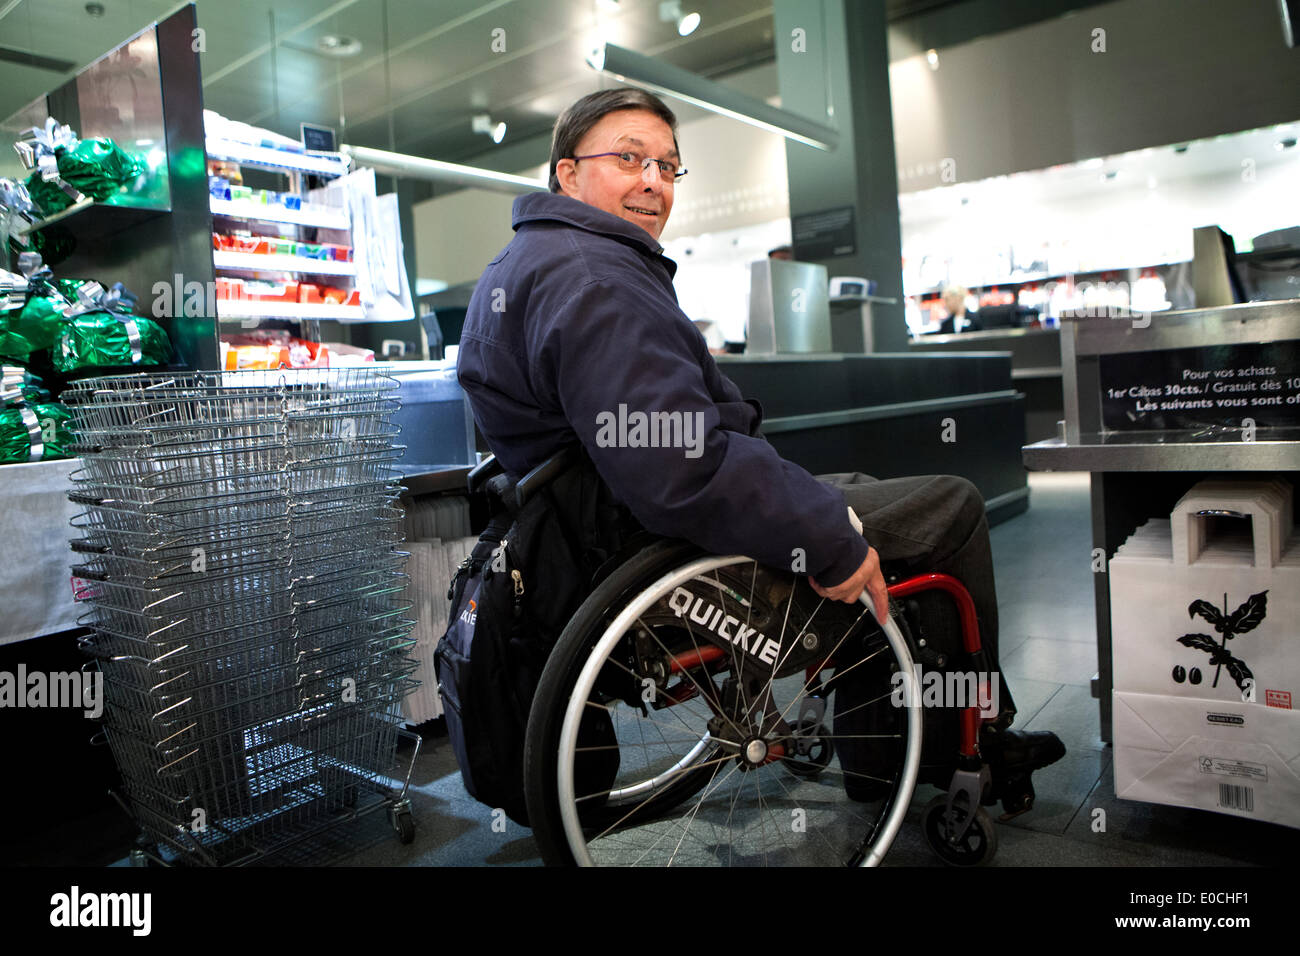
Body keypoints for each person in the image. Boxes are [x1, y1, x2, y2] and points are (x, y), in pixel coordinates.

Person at [456, 87, 1063, 811]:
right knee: (951, 509)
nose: (652, 180)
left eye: (667, 166)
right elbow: (681, 466)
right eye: (628, 158)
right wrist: (824, 536)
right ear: (567, 174)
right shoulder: (596, 281)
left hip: (591, 535)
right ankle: (963, 747)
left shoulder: (527, 263)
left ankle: (888, 749)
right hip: (655, 548)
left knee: (864, 487)